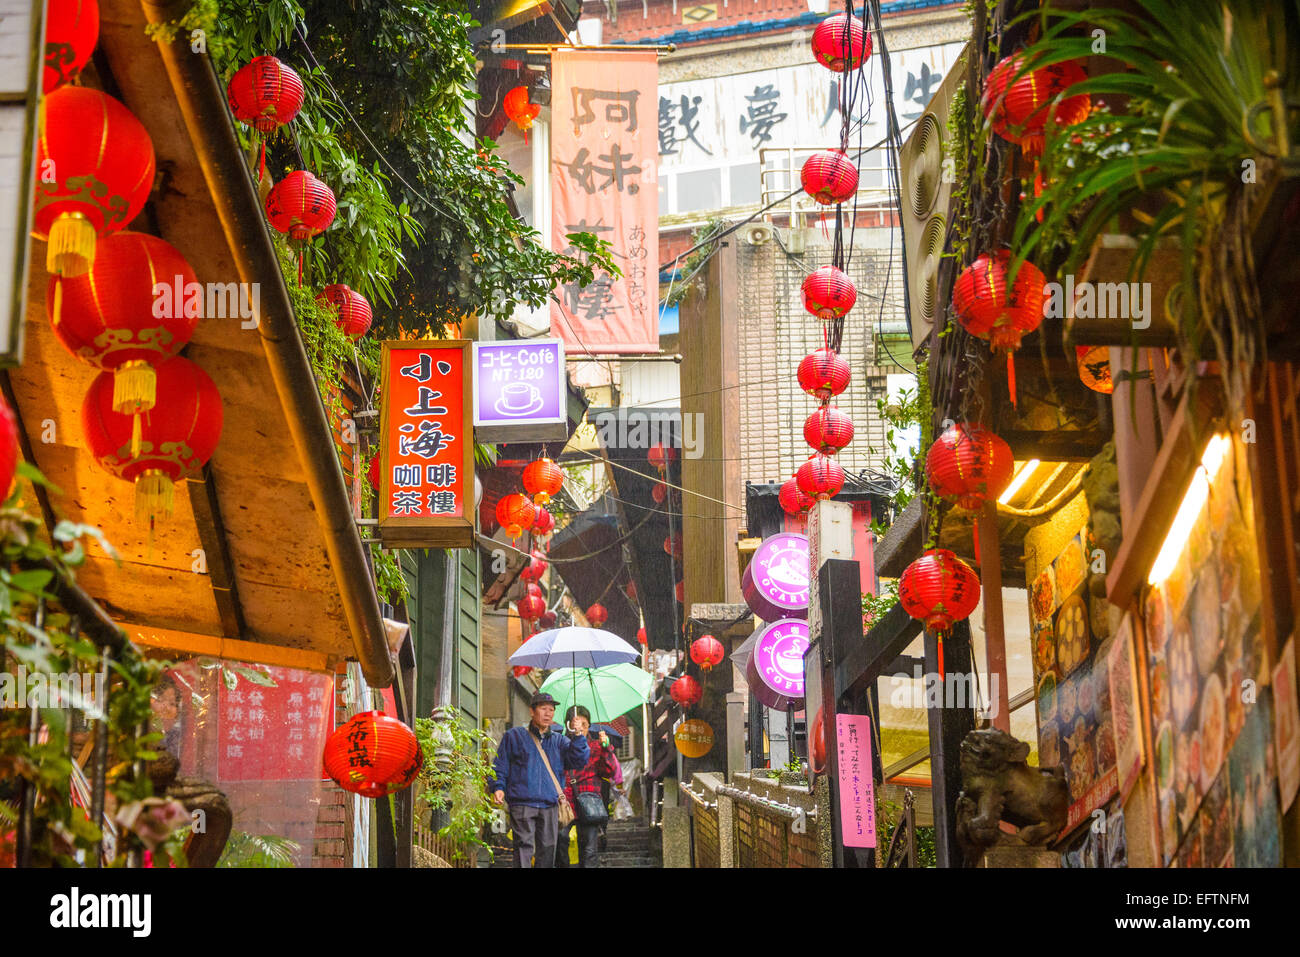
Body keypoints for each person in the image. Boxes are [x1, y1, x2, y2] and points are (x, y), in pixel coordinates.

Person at [488, 691, 589, 868]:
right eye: (543, 708)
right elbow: (500, 765)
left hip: (550, 804)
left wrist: (579, 735)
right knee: (524, 847)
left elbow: (578, 761)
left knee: (548, 850)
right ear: (532, 711)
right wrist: (498, 787)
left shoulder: (560, 741)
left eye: (551, 710)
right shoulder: (515, 736)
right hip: (522, 802)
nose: (548, 713)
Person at [555, 706, 617, 868]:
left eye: (584, 724)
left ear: (589, 726)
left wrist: (606, 748)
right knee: (561, 839)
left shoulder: (597, 746)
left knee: (589, 848)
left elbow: (609, 771)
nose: (580, 727)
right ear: (568, 725)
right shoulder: (560, 745)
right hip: (565, 802)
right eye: (576, 723)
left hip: (589, 801)